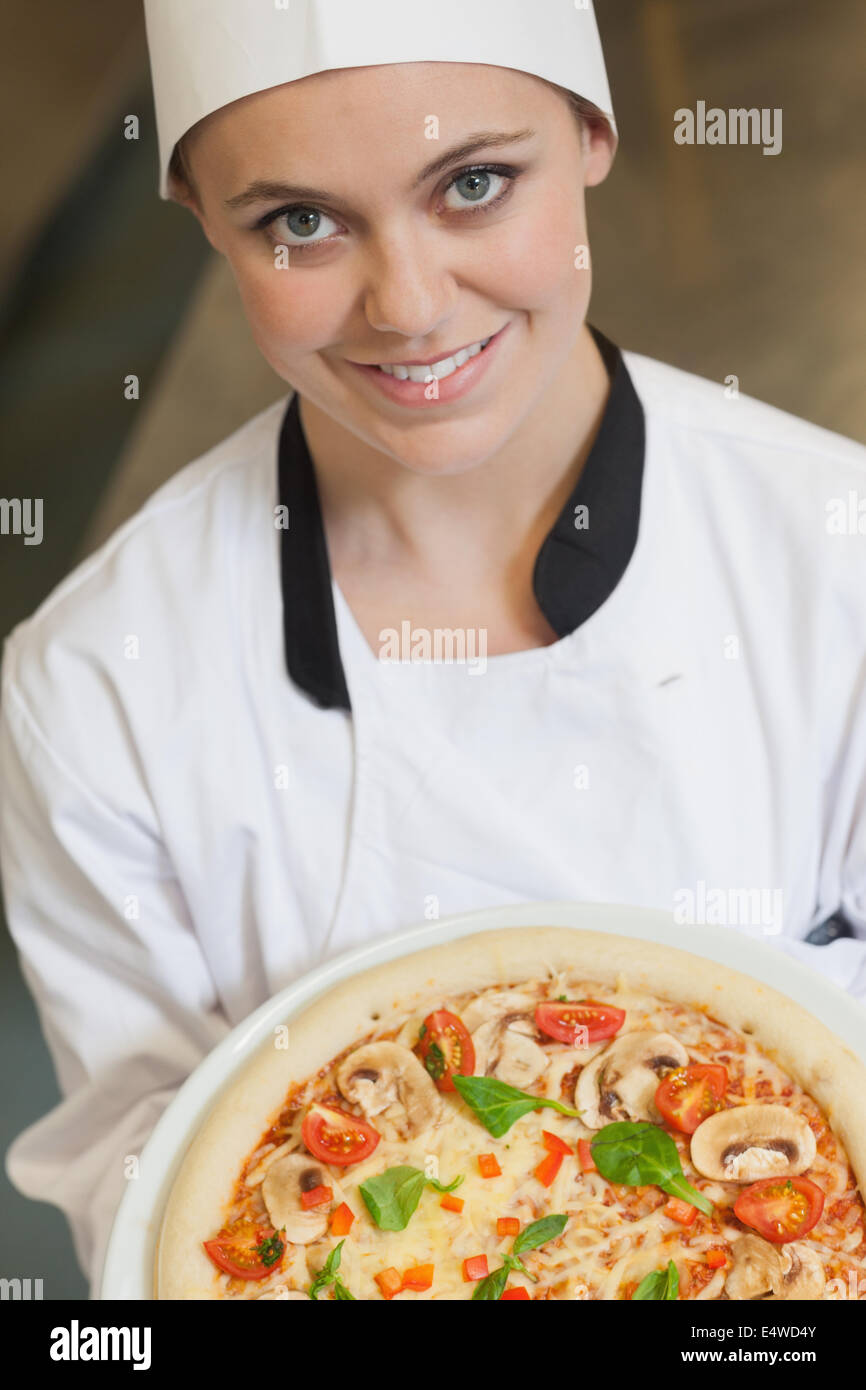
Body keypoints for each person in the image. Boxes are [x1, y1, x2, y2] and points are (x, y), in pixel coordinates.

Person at [2, 0, 865, 1298]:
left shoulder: (834, 562)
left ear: (589, 133)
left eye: (472, 183)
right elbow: (147, 1171)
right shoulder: (99, 686)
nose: (407, 305)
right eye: (297, 220)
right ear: (195, 213)